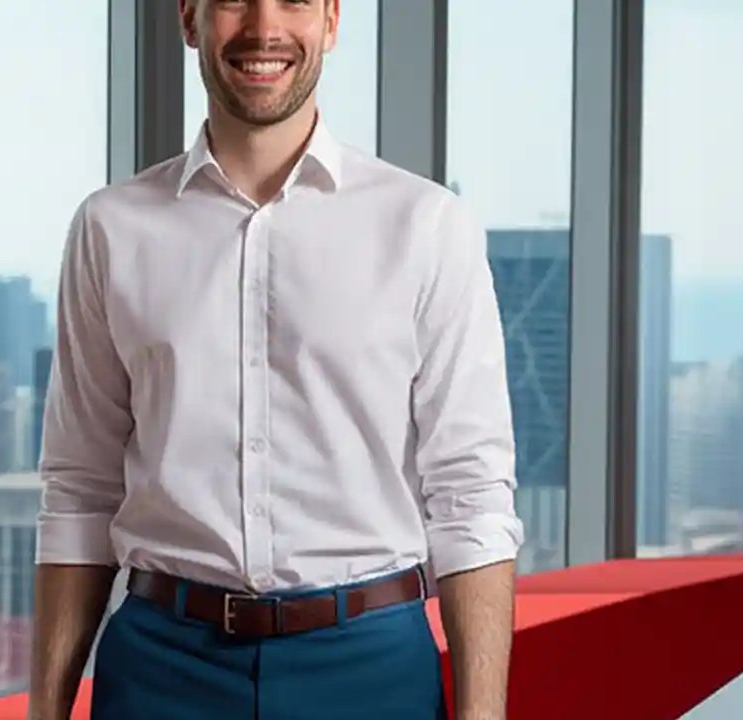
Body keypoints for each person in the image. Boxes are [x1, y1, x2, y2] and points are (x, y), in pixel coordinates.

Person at [28, 1, 524, 718]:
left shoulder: (425, 226)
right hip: (159, 673)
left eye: (293, 0)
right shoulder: (111, 228)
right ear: (190, 18)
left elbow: (472, 495)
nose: (264, 28)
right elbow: (80, 490)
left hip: (372, 671)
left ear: (330, 19)